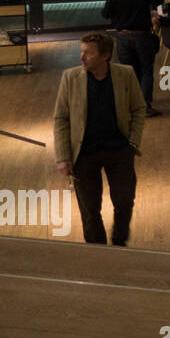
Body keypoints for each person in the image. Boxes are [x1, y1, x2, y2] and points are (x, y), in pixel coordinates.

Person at [53, 31, 147, 244]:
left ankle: (119, 242)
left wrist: (133, 142)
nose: (82, 57)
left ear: (105, 56)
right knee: (89, 209)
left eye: (88, 53)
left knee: (124, 201)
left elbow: (139, 109)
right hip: (84, 154)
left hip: (119, 150)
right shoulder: (70, 78)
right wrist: (62, 156)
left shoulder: (125, 74)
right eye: (82, 52)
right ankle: (98, 254)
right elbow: (60, 119)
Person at [101, 0, 165, 117]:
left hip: (122, 36)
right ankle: (145, 106)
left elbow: (105, 14)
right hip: (142, 35)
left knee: (129, 72)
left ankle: (131, 105)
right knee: (146, 70)